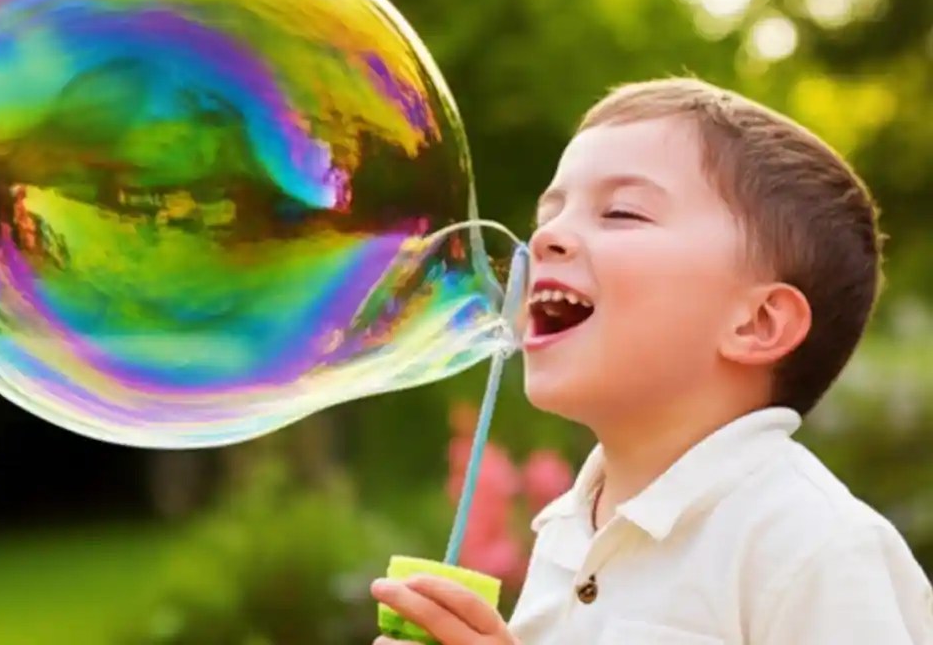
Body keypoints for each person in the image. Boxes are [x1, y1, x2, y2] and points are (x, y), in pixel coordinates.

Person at [372, 77, 933, 644]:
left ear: (757, 323)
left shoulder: (813, 546)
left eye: (621, 212)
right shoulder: (568, 532)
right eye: (550, 215)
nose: (546, 238)